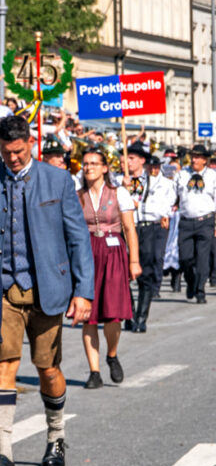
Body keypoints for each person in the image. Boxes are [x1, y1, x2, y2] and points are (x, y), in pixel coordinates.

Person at [0, 115, 92, 466]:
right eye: (6, 152)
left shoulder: (58, 179)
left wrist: (83, 292)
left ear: (30, 144)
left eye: (19, 151)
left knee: (48, 368)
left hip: (47, 288)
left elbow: (78, 238)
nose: (13, 158)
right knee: (3, 366)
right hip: (2, 290)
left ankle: (56, 437)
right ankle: (3, 452)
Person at [75, 147, 138, 387]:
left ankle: (112, 354)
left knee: (113, 314)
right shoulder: (77, 195)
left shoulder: (118, 192)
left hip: (113, 252)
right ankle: (94, 372)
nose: (89, 167)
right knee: (88, 315)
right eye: (86, 163)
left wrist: (134, 261)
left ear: (104, 168)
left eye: (94, 163)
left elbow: (129, 228)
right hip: (86, 253)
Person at [124, 142, 173, 333]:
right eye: (126, 158)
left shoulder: (155, 182)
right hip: (126, 229)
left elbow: (161, 205)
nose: (127, 162)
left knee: (145, 274)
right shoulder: (121, 180)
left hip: (147, 228)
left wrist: (139, 204)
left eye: (131, 158)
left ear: (141, 161)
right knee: (123, 275)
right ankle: (129, 313)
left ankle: (141, 317)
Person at [176, 146, 215, 303]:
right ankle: (190, 281)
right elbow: (173, 194)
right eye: (193, 156)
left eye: (198, 157)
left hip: (205, 221)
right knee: (185, 258)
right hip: (186, 221)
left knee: (202, 259)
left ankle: (200, 290)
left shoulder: (212, 176)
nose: (194, 160)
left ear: (205, 160)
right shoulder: (182, 174)